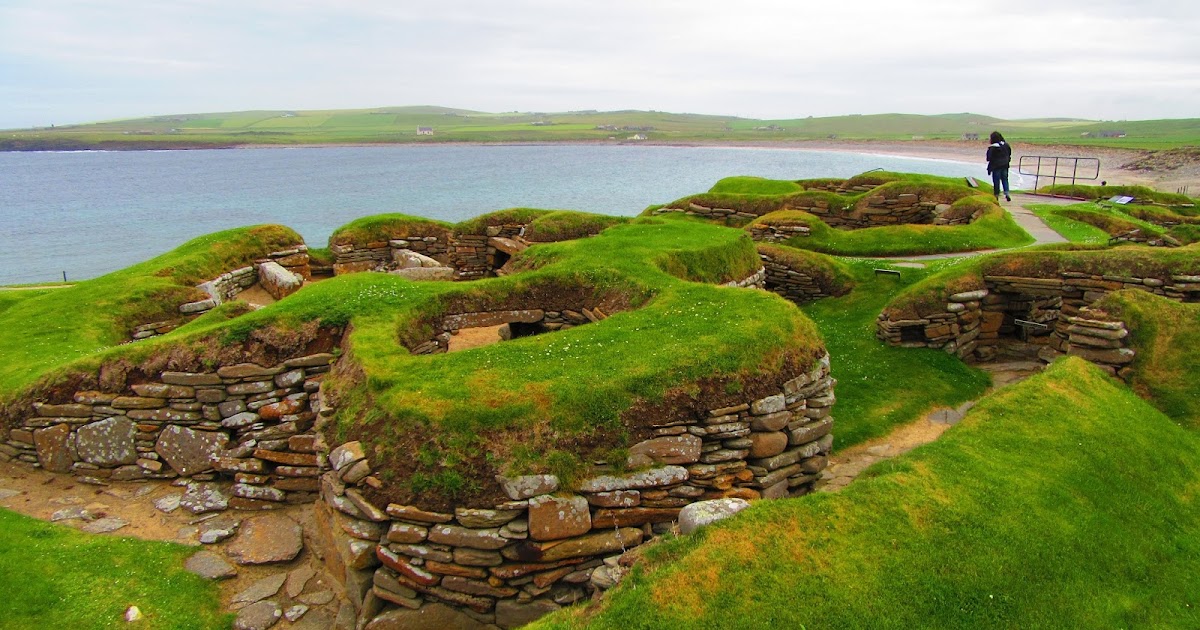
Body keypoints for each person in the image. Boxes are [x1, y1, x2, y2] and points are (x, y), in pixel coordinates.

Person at [986, 131, 1012, 201]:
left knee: (996, 181)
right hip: (1005, 165)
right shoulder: (1006, 145)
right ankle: (1007, 193)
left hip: (996, 166)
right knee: (1005, 179)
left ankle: (996, 195)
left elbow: (988, 158)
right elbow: (1009, 153)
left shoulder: (993, 147)